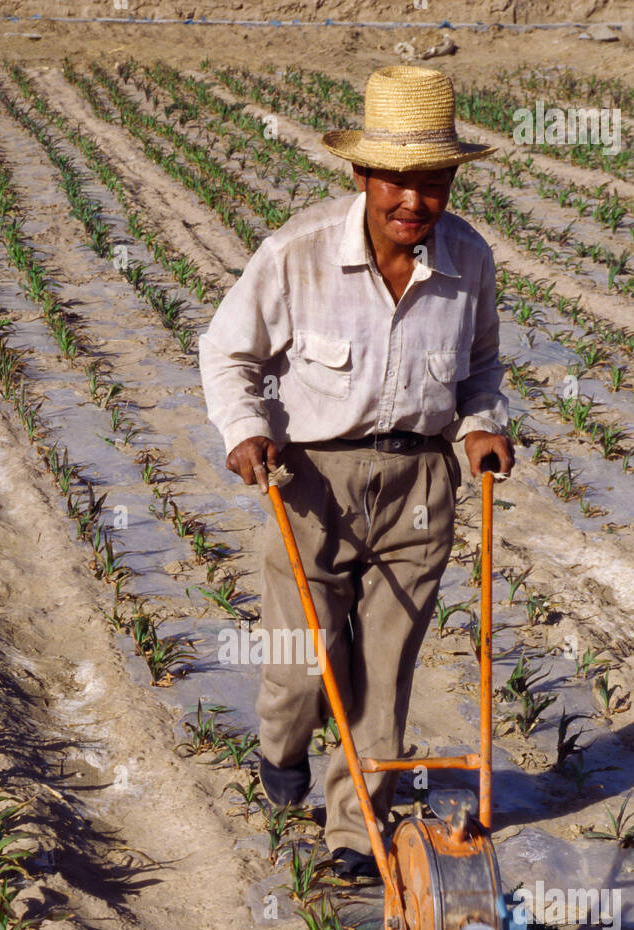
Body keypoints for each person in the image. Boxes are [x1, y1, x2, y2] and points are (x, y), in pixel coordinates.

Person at [198, 64, 514, 879]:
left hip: (420, 484)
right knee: (302, 669)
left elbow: (481, 368)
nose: (414, 202)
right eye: (397, 182)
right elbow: (227, 352)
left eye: (433, 183)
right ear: (361, 174)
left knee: (385, 665)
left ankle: (355, 828)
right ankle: (281, 749)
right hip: (309, 482)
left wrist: (480, 427)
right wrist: (245, 433)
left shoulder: (468, 259)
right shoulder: (296, 255)